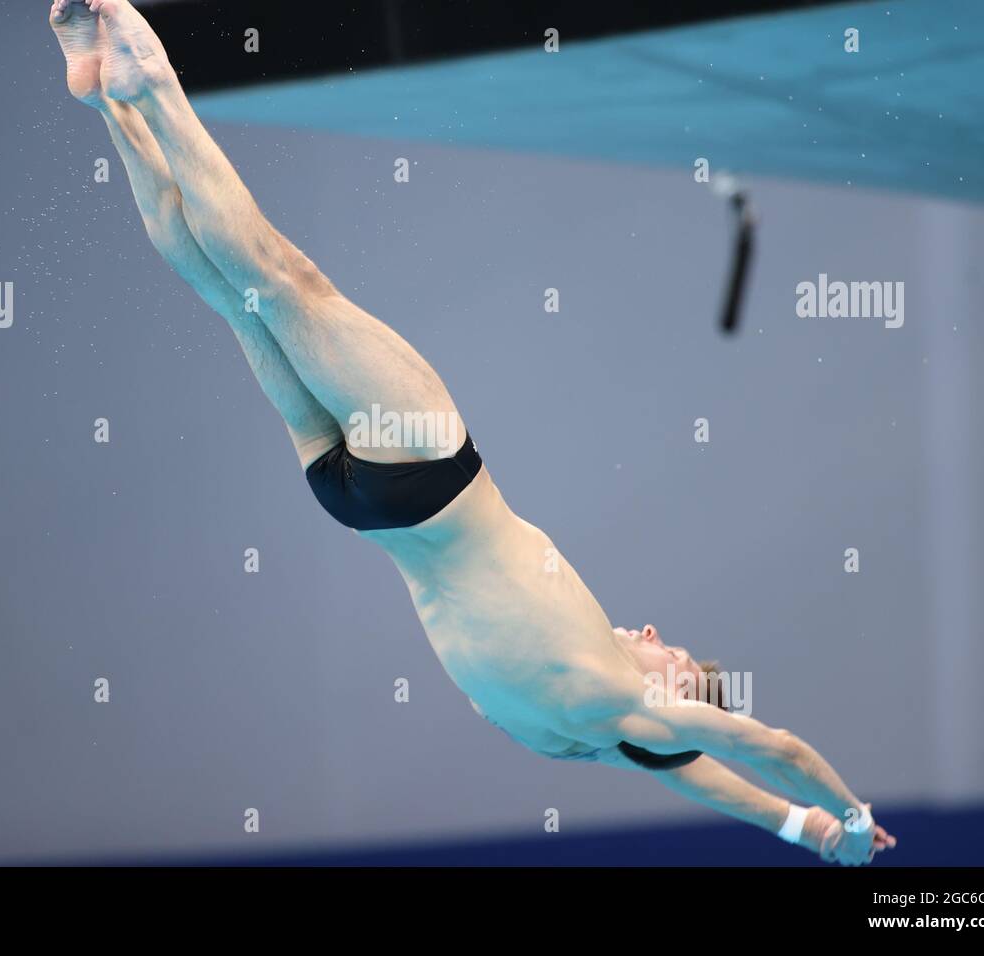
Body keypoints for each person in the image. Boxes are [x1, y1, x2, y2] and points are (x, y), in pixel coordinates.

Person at [48, 0, 897, 864]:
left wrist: (856, 816)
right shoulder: (588, 734)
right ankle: (109, 104)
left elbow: (775, 752)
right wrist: (818, 831)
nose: (652, 634)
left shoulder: (628, 707)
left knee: (280, 275)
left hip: (427, 467)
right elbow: (724, 789)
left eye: (673, 654)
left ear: (690, 708)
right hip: (356, 504)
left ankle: (152, 83)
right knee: (233, 296)